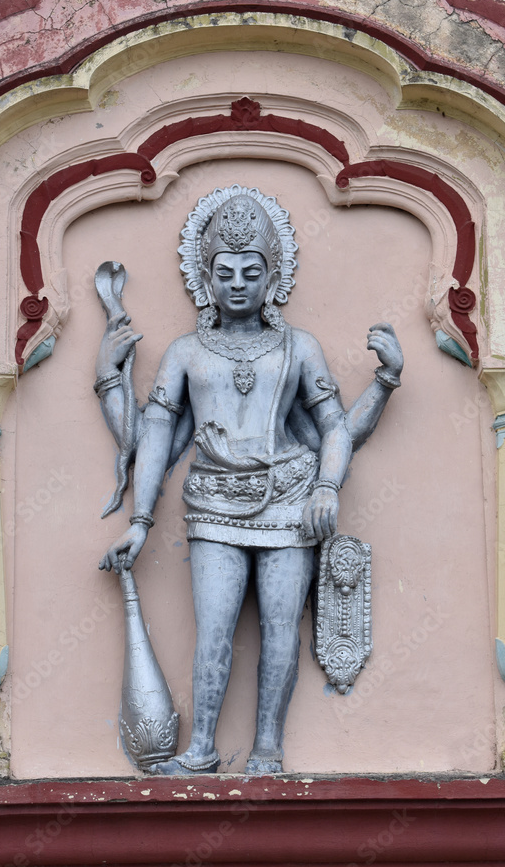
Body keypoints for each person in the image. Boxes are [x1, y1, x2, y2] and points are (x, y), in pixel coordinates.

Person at [95, 186, 403, 774]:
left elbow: (336, 431)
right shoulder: (186, 353)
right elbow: (153, 437)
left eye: (251, 272)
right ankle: (202, 748)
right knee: (214, 629)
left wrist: (330, 480)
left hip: (289, 498)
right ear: (206, 279)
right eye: (225, 272)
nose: (238, 284)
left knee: (281, 629)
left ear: (273, 279)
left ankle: (267, 749)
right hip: (213, 501)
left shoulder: (298, 348)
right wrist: (139, 521)